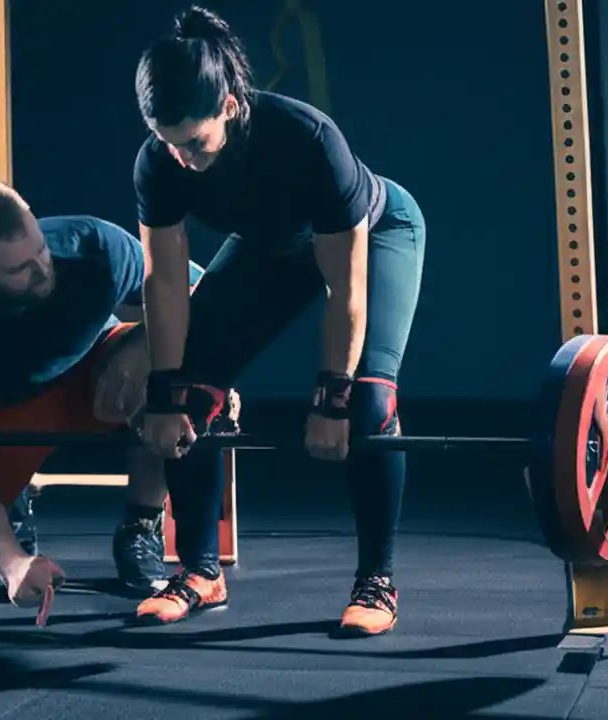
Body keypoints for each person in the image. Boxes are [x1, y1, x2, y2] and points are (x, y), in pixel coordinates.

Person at [130, 6, 426, 636]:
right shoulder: (159, 164)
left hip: (375, 234)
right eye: (167, 141)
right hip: (273, 249)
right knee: (186, 390)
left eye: (194, 142)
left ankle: (377, 581)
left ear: (231, 107)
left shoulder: (307, 138)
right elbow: (164, 282)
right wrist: (163, 392)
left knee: (367, 407)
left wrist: (331, 397)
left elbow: (345, 285)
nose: (180, 157)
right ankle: (201, 571)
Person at [0, 176, 223, 608]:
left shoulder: (92, 245)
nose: (41, 270)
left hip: (100, 371)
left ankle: (141, 522)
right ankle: (9, 510)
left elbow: (205, 297)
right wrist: (12, 564)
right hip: (10, 412)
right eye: (19, 270)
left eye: (39, 251)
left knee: (172, 370)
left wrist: (156, 351)